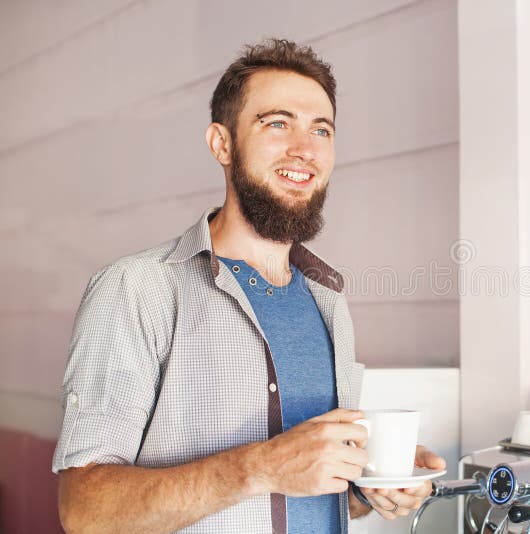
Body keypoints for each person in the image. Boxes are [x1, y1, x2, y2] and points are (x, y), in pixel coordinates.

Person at [52, 38, 445, 533]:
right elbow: (86, 513)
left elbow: (303, 495)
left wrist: (371, 486)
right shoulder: (137, 289)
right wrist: (258, 467)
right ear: (222, 143)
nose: (304, 149)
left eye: (321, 129)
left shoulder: (328, 301)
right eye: (277, 123)